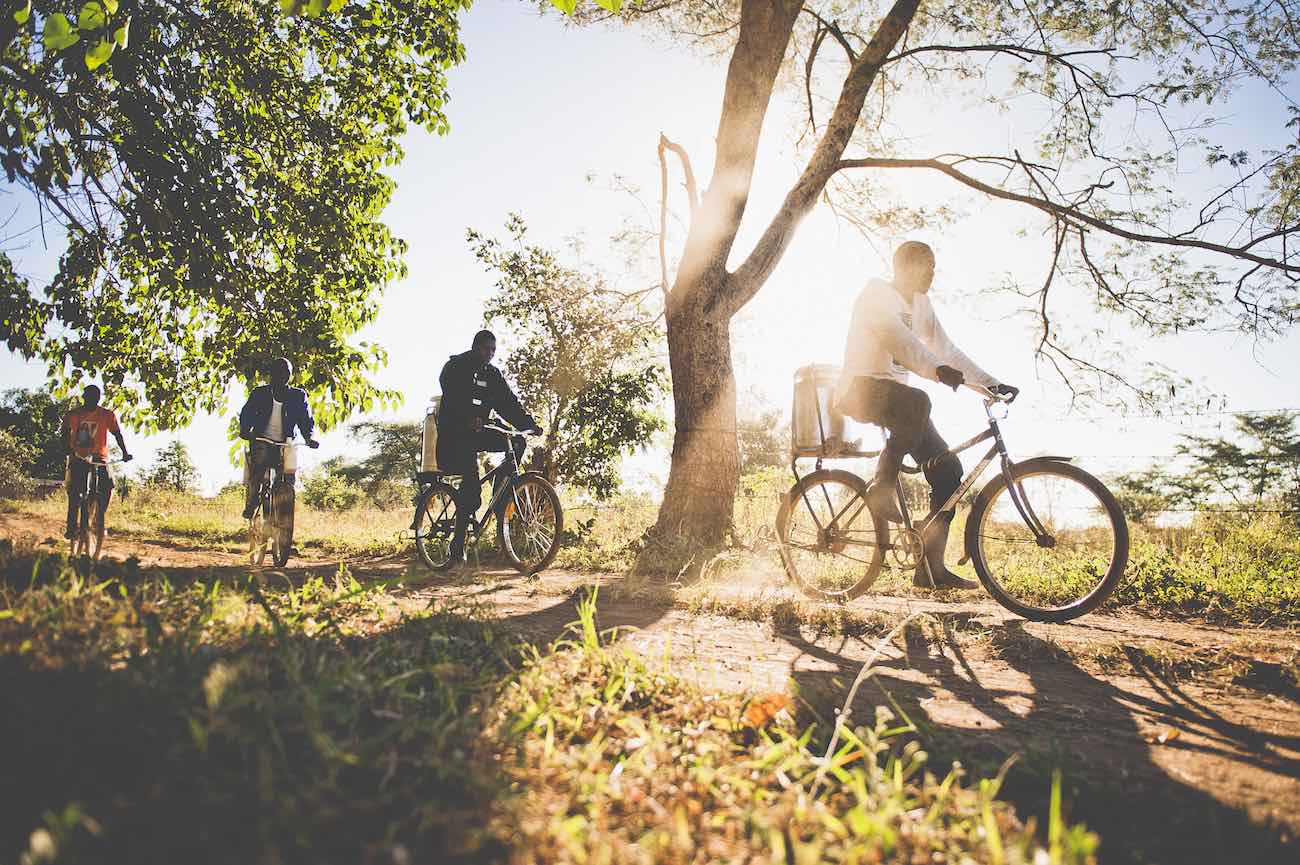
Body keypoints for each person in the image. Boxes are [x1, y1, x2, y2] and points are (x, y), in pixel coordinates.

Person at [835, 241, 1019, 590]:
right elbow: (899, 340)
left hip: (899, 403)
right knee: (918, 400)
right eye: (926, 264)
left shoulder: (922, 305)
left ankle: (930, 569)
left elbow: (946, 350)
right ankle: (882, 484)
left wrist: (992, 385)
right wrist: (937, 370)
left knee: (949, 472)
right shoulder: (876, 296)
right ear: (903, 266)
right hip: (860, 390)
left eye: (935, 265)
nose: (933, 272)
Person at [437, 330, 541, 567]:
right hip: (456, 434)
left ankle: (502, 489)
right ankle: (457, 544)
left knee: (517, 440)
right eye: (486, 349)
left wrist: (529, 424)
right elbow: (451, 397)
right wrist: (467, 418)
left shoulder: (493, 374)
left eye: (493, 350)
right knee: (471, 492)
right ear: (475, 346)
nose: (490, 354)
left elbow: (508, 402)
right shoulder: (455, 367)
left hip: (480, 430)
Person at [238, 358, 319, 520]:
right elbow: (247, 414)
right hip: (262, 440)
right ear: (271, 374)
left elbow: (306, 420)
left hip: (285, 443)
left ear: (289, 375)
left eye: (285, 373)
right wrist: (245, 430)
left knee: (288, 478)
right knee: (258, 468)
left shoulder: (298, 396)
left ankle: (284, 532)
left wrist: (309, 437)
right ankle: (253, 501)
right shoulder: (259, 393)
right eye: (277, 372)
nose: (281, 376)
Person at [61, 384, 132, 539]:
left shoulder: (107, 415)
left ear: (99, 399)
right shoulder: (73, 415)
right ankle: (72, 527)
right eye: (89, 398)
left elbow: (117, 434)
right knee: (74, 491)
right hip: (78, 456)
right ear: (84, 398)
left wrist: (125, 453)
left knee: (108, 485)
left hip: (100, 457)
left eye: (95, 398)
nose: (91, 401)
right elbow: (65, 433)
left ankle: (98, 520)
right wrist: (67, 448)